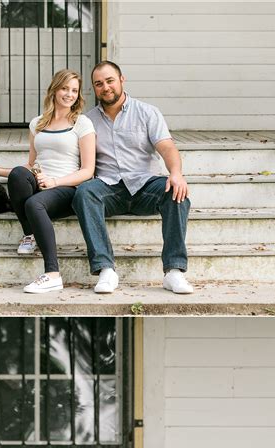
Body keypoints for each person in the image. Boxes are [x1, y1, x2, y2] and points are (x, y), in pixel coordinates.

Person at [72, 61, 194, 295]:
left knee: (177, 192)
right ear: (94, 88)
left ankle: (174, 271)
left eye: (110, 81)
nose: (105, 87)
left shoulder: (147, 112)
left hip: (145, 185)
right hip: (109, 189)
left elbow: (167, 147)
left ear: (121, 80)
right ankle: (106, 269)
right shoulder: (87, 121)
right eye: (99, 84)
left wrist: (176, 174)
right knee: (85, 192)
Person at [0, 69, 96, 294]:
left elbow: (88, 170)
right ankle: (29, 233)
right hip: (41, 183)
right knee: (18, 174)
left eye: (74, 90)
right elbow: (31, 164)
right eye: (65, 88)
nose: (69, 94)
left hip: (68, 188)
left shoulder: (82, 123)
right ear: (54, 90)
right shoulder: (37, 123)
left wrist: (55, 181)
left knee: (33, 203)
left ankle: (53, 274)